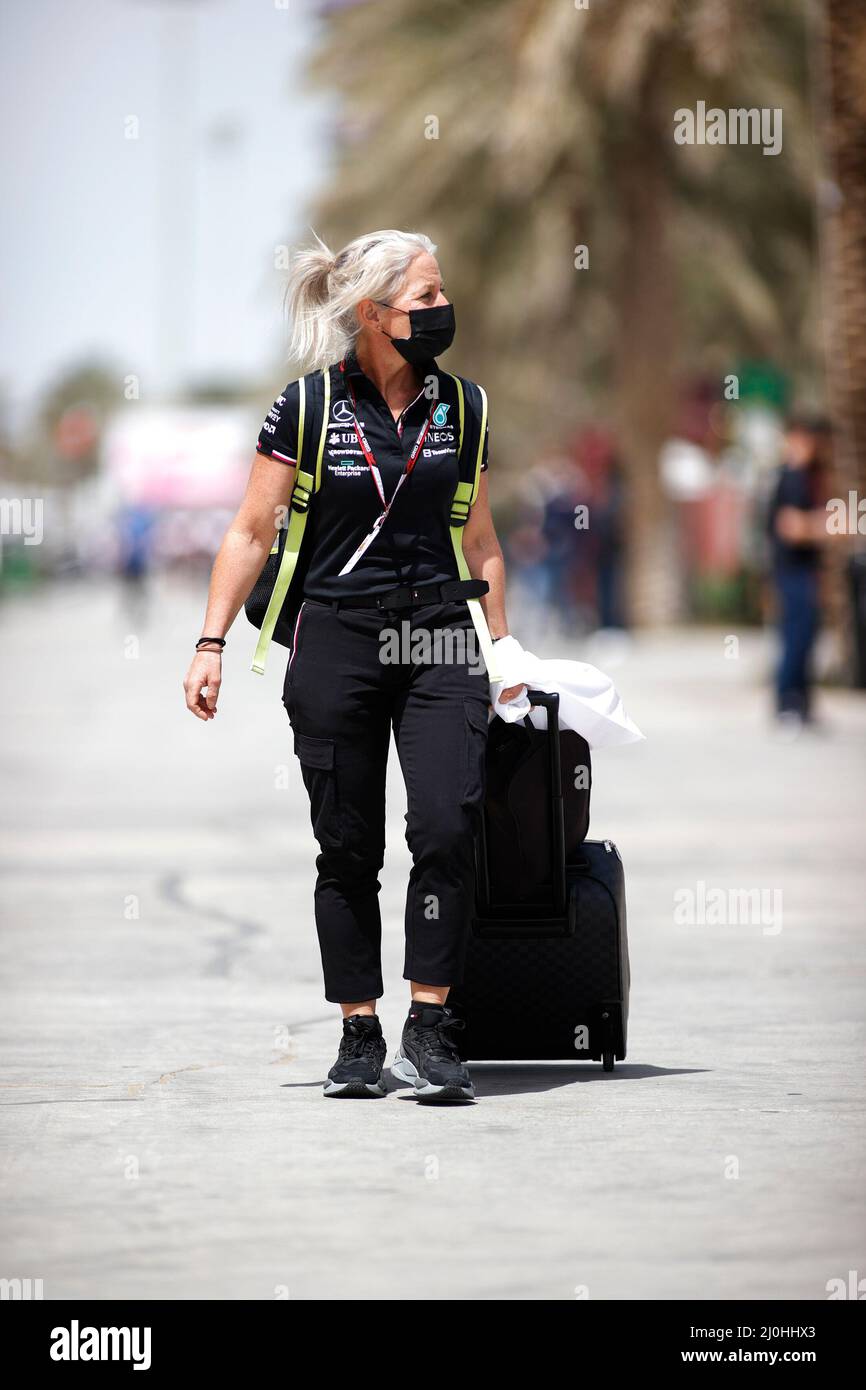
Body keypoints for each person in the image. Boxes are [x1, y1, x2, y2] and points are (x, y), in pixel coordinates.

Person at [183, 230, 524, 1101]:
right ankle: (359, 1032)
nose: (442, 309)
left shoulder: (466, 408)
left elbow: (482, 539)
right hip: (336, 636)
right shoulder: (305, 407)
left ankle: (431, 1027)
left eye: (440, 293)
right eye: (424, 298)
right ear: (373, 314)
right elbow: (250, 531)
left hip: (440, 636)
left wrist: (503, 649)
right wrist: (211, 642)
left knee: (447, 824)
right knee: (347, 845)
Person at [766, 415, 831, 728]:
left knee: (806, 639)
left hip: (803, 571)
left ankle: (801, 704)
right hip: (792, 572)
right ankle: (787, 703)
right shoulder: (791, 477)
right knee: (795, 638)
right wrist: (825, 526)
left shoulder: (803, 476)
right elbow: (789, 525)